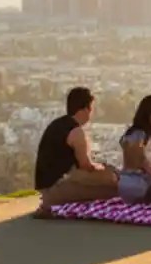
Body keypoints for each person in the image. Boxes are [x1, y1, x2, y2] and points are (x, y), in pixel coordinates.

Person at [33, 86, 117, 218]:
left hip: (46, 189)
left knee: (109, 175)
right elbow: (86, 166)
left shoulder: (57, 124)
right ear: (85, 109)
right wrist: (104, 170)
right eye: (91, 108)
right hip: (57, 189)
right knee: (113, 187)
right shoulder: (77, 132)